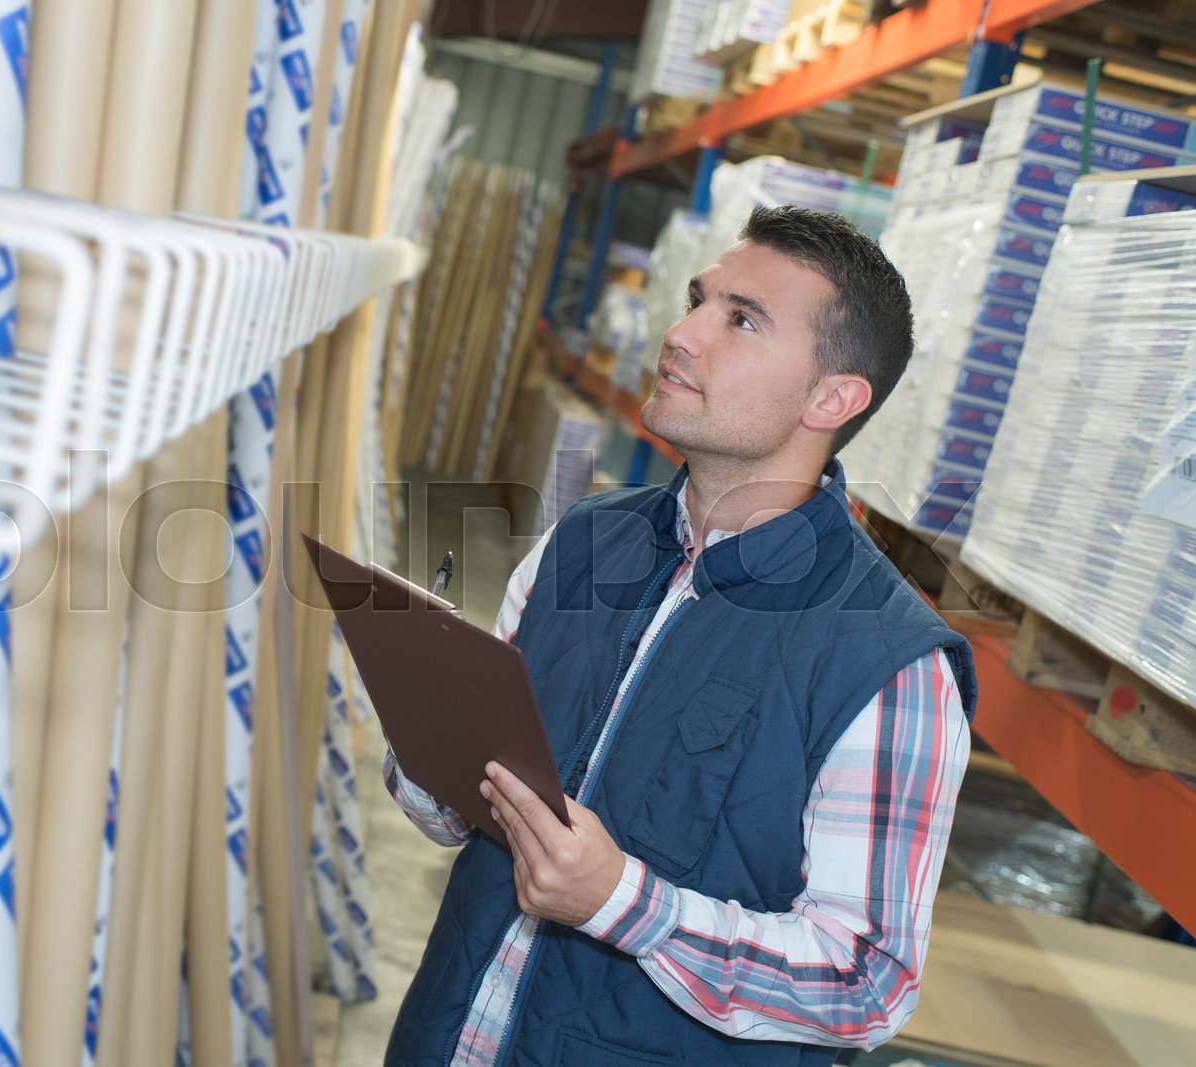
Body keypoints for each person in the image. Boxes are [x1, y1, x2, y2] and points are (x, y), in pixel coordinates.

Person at [382, 206, 976, 1066]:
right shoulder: (579, 543)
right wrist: (429, 731)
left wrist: (622, 900)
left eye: (740, 320)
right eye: (698, 300)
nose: (680, 333)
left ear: (833, 397)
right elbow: (459, 806)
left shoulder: (887, 665)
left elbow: (865, 981)